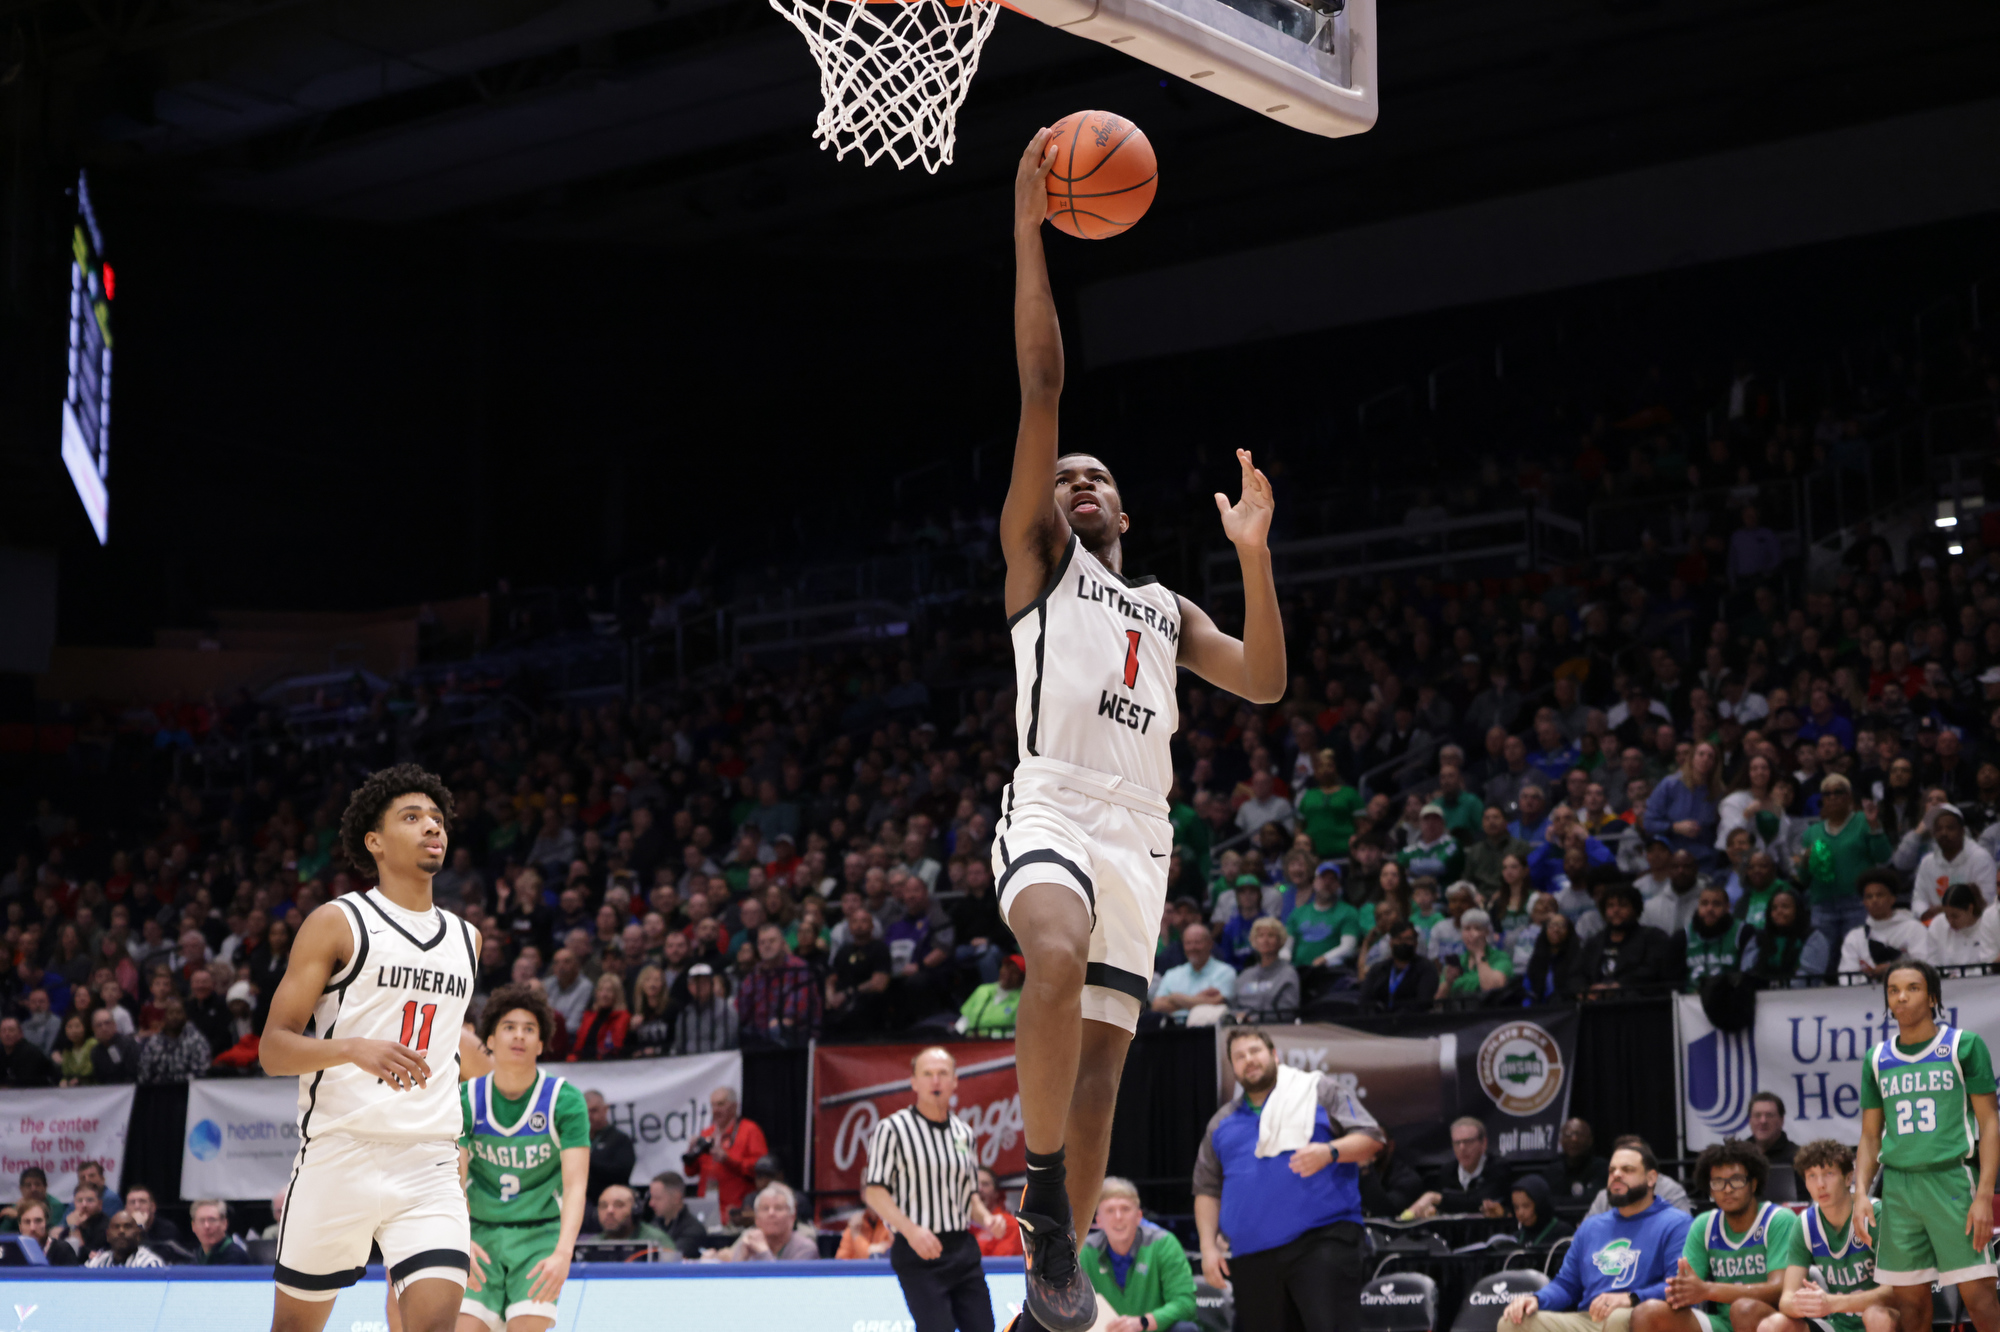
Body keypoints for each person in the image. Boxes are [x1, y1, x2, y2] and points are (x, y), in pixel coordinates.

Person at [999, 128, 1288, 1331]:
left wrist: (1254, 557)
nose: (1075, 484)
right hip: (1054, 799)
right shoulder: (1038, 566)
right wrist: (1028, 230)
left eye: (1093, 478)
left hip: (1142, 831)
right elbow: (1043, 389)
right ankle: (1037, 1198)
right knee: (1052, 958)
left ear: (1122, 506)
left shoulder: (1164, 608)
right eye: (1062, 477)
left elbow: (1264, 683)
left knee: (1108, 1072)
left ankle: (1046, 1287)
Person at [258, 764, 487, 1332]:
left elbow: (448, 1049)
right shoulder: (338, 921)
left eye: (437, 818)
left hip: (428, 1161)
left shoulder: (467, 938)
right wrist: (353, 1049)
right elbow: (273, 1049)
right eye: (412, 818)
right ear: (375, 841)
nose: (432, 827)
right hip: (340, 1152)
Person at [1193, 1028, 1382, 1332]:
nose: (1248, 1060)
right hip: (1250, 1256)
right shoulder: (1222, 1122)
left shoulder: (1318, 1090)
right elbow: (1206, 1188)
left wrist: (1330, 1151)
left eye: (1255, 1051)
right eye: (1239, 1057)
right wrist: (1207, 1248)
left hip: (1321, 1242)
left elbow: (1371, 1137)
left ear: (1275, 1055)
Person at [1854, 960, 2000, 1332]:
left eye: (1913, 988)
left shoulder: (1963, 1046)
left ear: (1933, 996)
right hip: (1899, 1187)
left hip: (1952, 1181)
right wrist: (1859, 1195)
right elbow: (1870, 1136)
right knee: (1912, 1308)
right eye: (1893, 990)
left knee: (1981, 1300)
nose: (1901, 997)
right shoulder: (1876, 1059)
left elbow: (1990, 1123)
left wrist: (1984, 1195)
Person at [459, 983, 591, 1332]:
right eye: (509, 1027)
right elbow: (451, 1180)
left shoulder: (565, 1100)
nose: (519, 1036)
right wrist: (458, 1239)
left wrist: (563, 1254)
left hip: (539, 1237)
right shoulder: (466, 1098)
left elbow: (575, 1187)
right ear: (488, 1040)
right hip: (479, 1235)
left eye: (529, 1029)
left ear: (542, 1043)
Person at [864, 1047, 1009, 1332]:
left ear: (955, 1081)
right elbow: (874, 1192)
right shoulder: (892, 1129)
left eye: (943, 1074)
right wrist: (910, 1230)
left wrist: (987, 1219)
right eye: (927, 1074)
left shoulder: (963, 1132)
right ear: (914, 1082)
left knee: (984, 1327)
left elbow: (968, 1196)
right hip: (918, 1251)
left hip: (962, 1249)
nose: (935, 1081)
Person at [1502, 1141, 1694, 1332]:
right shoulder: (1591, 1226)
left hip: (1641, 1318)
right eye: (1612, 1171)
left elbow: (1679, 1287)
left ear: (1651, 1178)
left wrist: (1630, 1298)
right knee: (1513, 1321)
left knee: (1618, 1317)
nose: (1617, 1175)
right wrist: (1536, 1299)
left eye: (1627, 1169)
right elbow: (1566, 1285)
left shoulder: (1676, 1223)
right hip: (1589, 1319)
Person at [1633, 1138, 1796, 1332]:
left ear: (1753, 1184)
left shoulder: (1778, 1219)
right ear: (1710, 1189)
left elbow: (1780, 1289)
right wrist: (1681, 1292)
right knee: (1646, 1312)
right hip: (1722, 1323)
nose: (1727, 1189)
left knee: (1743, 1308)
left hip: (1772, 1321)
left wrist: (1708, 1290)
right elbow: (1687, 1289)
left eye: (1736, 1180)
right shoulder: (1704, 1224)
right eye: (1718, 1182)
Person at [1756, 1138, 1899, 1332]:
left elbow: (1895, 1292)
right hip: (1838, 1325)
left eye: (1828, 1174)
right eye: (1812, 1176)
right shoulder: (1805, 1223)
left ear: (1849, 1178)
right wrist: (1805, 1303)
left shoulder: (1875, 1215)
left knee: (1876, 1316)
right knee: (1771, 1325)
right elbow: (1786, 1300)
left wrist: (1833, 1303)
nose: (1820, 1184)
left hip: (1887, 1319)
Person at [1080, 1177, 1200, 1332]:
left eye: (1125, 1209)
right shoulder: (1085, 1251)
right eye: (1110, 1210)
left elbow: (1186, 1303)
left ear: (1138, 1216)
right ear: (1098, 1220)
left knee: (1185, 1329)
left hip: (1152, 1329)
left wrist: (1143, 1322)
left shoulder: (1163, 1244)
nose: (1118, 1217)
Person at [681, 1085, 766, 1217]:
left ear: (734, 1106)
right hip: (708, 1210)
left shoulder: (749, 1130)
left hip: (737, 1210)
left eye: (721, 1104)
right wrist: (691, 1153)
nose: (716, 1110)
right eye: (713, 1105)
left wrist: (728, 1159)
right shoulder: (706, 1133)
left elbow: (761, 1171)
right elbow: (690, 1172)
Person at [1409, 1117, 1510, 1219]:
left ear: (1483, 1143)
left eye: (1468, 1141)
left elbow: (1481, 1200)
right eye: (1457, 1143)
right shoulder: (1448, 1171)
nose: (1462, 1148)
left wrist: (1436, 1198)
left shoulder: (1498, 1168)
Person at [1837, 874, 1931, 978]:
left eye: (1880, 895)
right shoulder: (1855, 937)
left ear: (1892, 899)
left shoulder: (1914, 929)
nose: (1874, 900)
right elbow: (1846, 978)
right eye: (1869, 897)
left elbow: (1925, 967)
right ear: (1864, 902)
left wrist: (1892, 969)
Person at [1913, 807, 1997, 918]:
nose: (1944, 833)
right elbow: (1918, 900)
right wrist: (1926, 913)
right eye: (1939, 829)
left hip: (1973, 925)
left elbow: (1988, 901)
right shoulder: (1927, 862)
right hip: (1934, 924)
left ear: (1962, 831)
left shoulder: (1980, 858)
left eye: (1950, 828)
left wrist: (1951, 913)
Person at [1674, 884, 1754, 993]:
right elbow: (1674, 982)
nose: (1709, 909)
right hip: (1690, 1002)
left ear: (1727, 908)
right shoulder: (1682, 937)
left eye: (1716, 904)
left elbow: (1748, 976)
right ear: (1698, 906)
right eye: (1704, 903)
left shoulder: (1743, 933)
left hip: (1731, 1000)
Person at [1148, 924, 1237, 1024]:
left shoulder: (1225, 972)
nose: (1192, 947)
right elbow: (1156, 1006)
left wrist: (1175, 998)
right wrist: (1199, 999)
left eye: (1197, 942)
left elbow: (1218, 1003)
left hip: (1209, 1031)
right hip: (1173, 1031)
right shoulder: (1172, 974)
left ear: (1210, 944)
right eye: (1188, 943)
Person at [707, 1184, 818, 1262]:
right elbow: (731, 1282)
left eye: (778, 1208)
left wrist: (763, 1251)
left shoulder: (805, 1248)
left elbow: (785, 1289)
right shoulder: (750, 1238)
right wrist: (741, 1256)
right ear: (756, 1218)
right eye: (765, 1209)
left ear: (792, 1217)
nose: (771, 1213)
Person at [583, 1089, 637, 1228]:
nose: (589, 1116)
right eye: (585, 1111)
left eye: (594, 1111)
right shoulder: (577, 1140)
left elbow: (622, 1172)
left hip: (611, 1206)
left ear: (605, 1109)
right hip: (582, 1205)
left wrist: (589, 1161)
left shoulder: (619, 1139)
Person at [1359, 920, 1438, 1013]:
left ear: (1415, 943)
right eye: (1399, 939)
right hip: (1378, 1022)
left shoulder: (1426, 968)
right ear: (1391, 943)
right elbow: (1365, 1000)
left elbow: (1423, 1003)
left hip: (1412, 1023)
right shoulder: (1378, 969)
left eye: (1408, 939)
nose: (1403, 943)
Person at [1437, 909, 1512, 1001]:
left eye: (1477, 928)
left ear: (1487, 932)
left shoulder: (1500, 957)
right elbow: (1438, 1002)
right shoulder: (1457, 961)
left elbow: (1491, 988)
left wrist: (1479, 952)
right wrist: (1448, 983)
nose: (1472, 934)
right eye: (1467, 929)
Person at [1232, 919, 1299, 1021]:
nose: (1265, 940)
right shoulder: (1245, 975)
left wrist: (1253, 1018)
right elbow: (1232, 1007)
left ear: (1280, 941)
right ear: (1254, 941)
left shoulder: (1288, 974)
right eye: (1260, 936)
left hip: (1274, 1030)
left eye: (1271, 935)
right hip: (1241, 1029)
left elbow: (1287, 1012)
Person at [1927, 884, 2000, 967]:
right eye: (1947, 916)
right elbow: (1932, 963)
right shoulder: (1938, 925)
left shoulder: (1986, 924)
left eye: (1955, 916)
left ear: (1970, 909)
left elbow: (1989, 961)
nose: (1950, 921)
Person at [959, 953, 1026, 1036]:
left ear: (1023, 978)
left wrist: (987, 1036)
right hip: (968, 1043)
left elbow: (1018, 1034)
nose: (1008, 974)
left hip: (1000, 1046)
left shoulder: (1024, 1000)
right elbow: (964, 1021)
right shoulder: (982, 990)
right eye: (1006, 968)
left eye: (1014, 972)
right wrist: (956, 1035)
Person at [590, 1184, 672, 1251]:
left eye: (618, 1205)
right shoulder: (591, 1245)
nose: (609, 1211)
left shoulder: (656, 1240)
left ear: (635, 1210)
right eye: (603, 1206)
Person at [646, 1173, 709, 1257]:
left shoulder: (693, 1231)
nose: (651, 1203)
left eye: (657, 1198)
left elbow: (672, 1257)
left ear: (676, 1198)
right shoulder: (654, 1225)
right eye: (651, 1197)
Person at [83, 1209, 168, 1268]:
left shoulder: (150, 1264)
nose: (121, 1231)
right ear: (108, 1236)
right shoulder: (96, 1263)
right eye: (116, 1227)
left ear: (138, 1235)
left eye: (127, 1227)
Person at [1510, 1174, 1572, 1246]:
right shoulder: (1517, 1238)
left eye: (1526, 1206)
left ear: (1541, 1204)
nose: (1520, 1213)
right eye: (1516, 1207)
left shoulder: (1564, 1234)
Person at [977, 1166, 1024, 1258]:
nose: (979, 1189)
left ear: (996, 1193)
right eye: (974, 1184)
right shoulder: (959, 1224)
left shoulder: (1009, 1224)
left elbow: (1000, 1265)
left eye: (985, 1184)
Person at [190, 1199, 252, 1265]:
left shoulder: (235, 1256)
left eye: (212, 1220)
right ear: (193, 1226)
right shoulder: (197, 1255)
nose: (206, 1226)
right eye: (201, 1221)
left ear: (224, 1223)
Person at [0, 1015, 54, 1087]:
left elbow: (25, 1082)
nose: (7, 1034)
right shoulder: (2, 1051)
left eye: (11, 1030)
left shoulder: (30, 1053)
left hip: (42, 1093)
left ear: (20, 1034)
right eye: (3, 1031)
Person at [1746, 1093, 1797, 1168]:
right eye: (1757, 1115)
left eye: (1769, 1115)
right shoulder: (1738, 1157)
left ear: (1781, 1120)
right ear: (1750, 1120)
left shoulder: (1798, 1158)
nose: (1763, 1121)